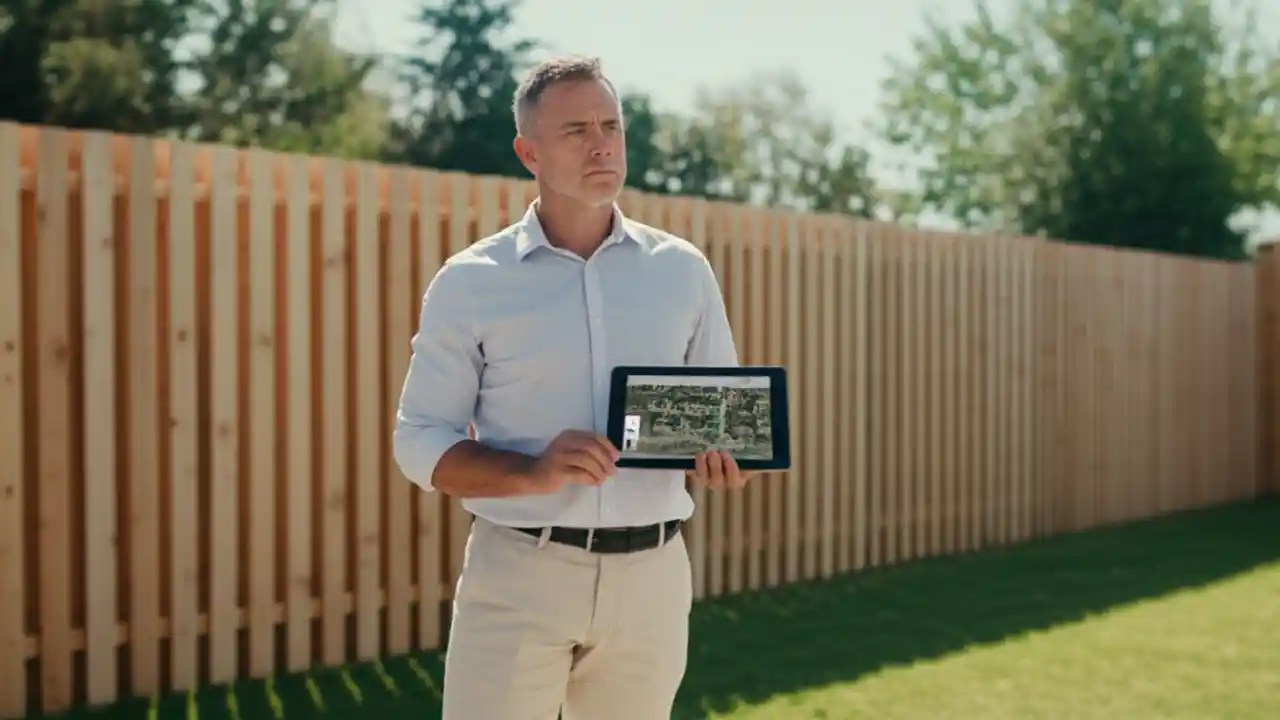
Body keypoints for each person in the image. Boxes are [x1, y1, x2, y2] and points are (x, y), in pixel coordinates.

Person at [393, 54, 754, 720]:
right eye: (577, 130)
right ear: (528, 152)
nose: (601, 144)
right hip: (519, 573)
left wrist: (722, 460)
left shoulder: (682, 271)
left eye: (611, 125)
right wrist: (533, 473)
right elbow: (419, 439)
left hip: (652, 578)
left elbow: (720, 417)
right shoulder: (471, 281)